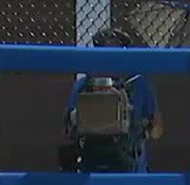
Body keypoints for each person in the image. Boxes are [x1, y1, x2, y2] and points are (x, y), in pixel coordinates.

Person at [62, 26, 163, 173]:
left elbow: (157, 129)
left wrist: (142, 128)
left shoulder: (139, 83)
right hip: (93, 166)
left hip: (128, 166)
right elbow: (67, 129)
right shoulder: (84, 85)